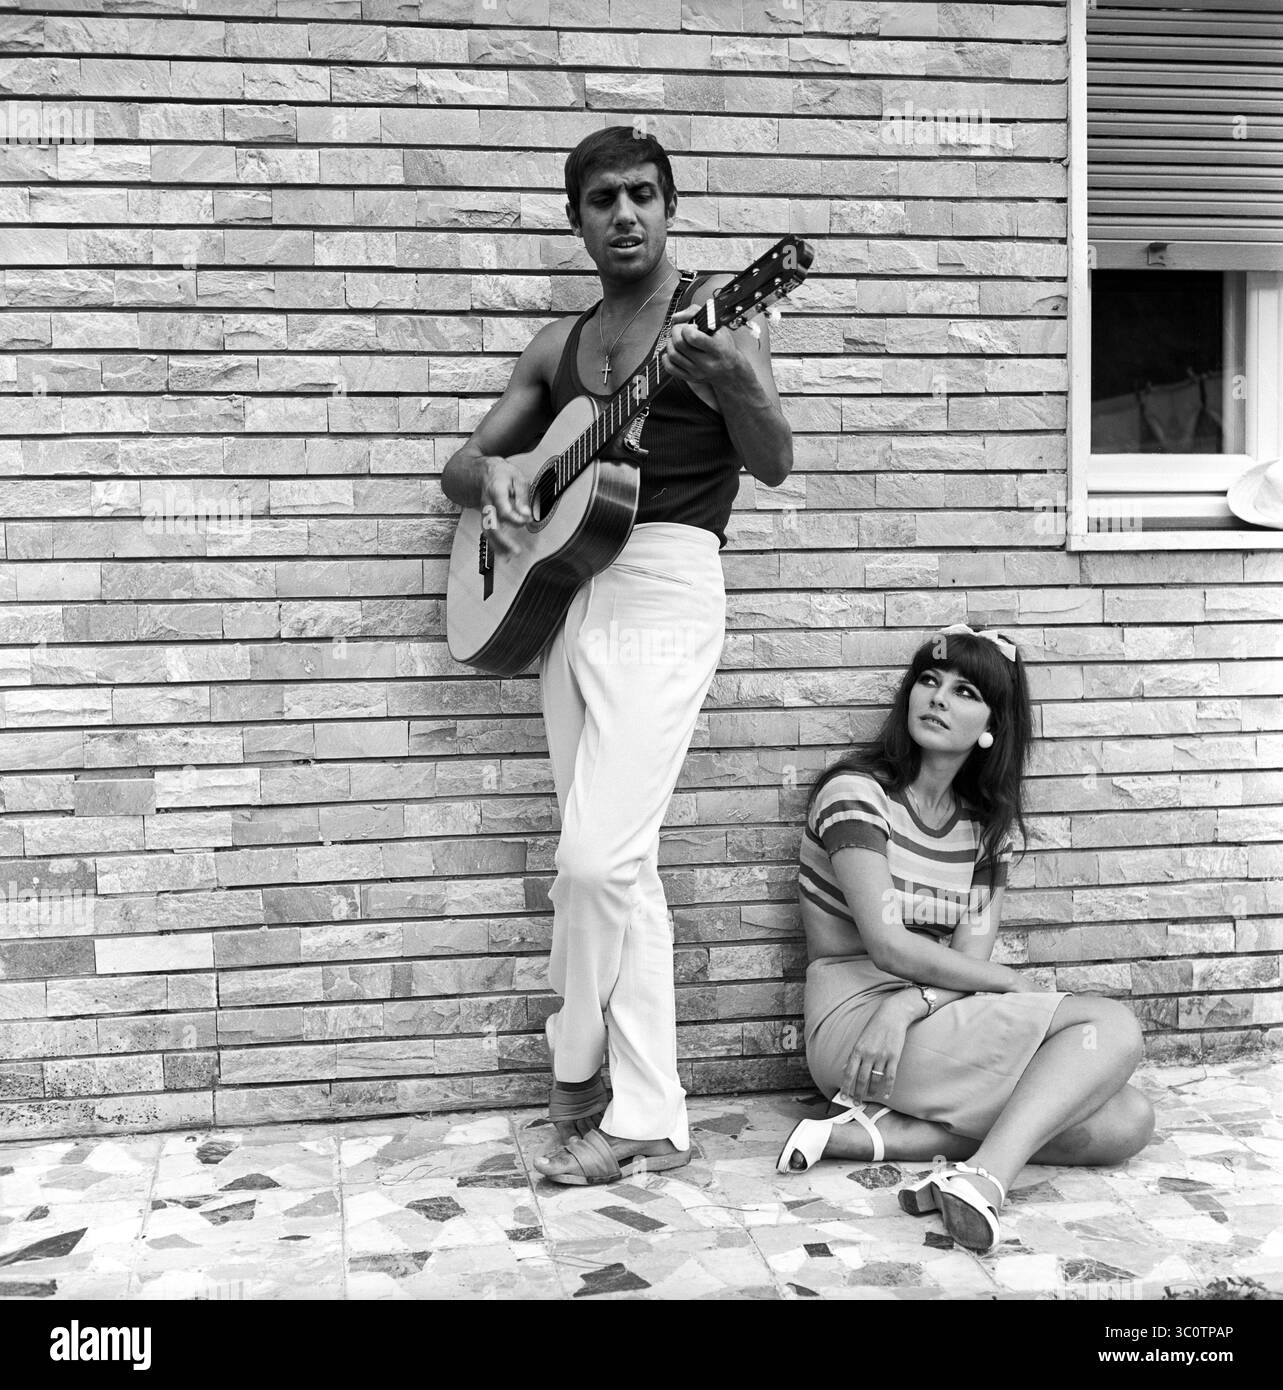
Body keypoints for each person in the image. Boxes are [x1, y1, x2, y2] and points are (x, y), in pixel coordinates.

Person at [439, 127, 793, 1185]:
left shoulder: (715, 319)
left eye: (643, 194)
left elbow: (773, 461)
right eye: (602, 199)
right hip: (561, 591)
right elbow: (465, 459)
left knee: (591, 861)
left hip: (666, 586)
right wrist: (493, 483)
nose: (624, 214)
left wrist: (735, 379)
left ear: (672, 207)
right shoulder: (558, 347)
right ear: (575, 219)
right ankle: (645, 1113)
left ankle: (576, 1060)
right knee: (618, 870)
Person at [782, 623, 1155, 1251]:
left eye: (964, 691)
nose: (937, 698)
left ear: (992, 725)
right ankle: (983, 1180)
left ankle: (874, 1137)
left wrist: (912, 1001)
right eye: (929, 682)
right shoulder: (856, 795)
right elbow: (889, 945)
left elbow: (964, 961)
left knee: (1127, 1122)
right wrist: (1006, 983)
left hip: (924, 1014)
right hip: (854, 1024)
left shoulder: (985, 832)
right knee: (1112, 1028)